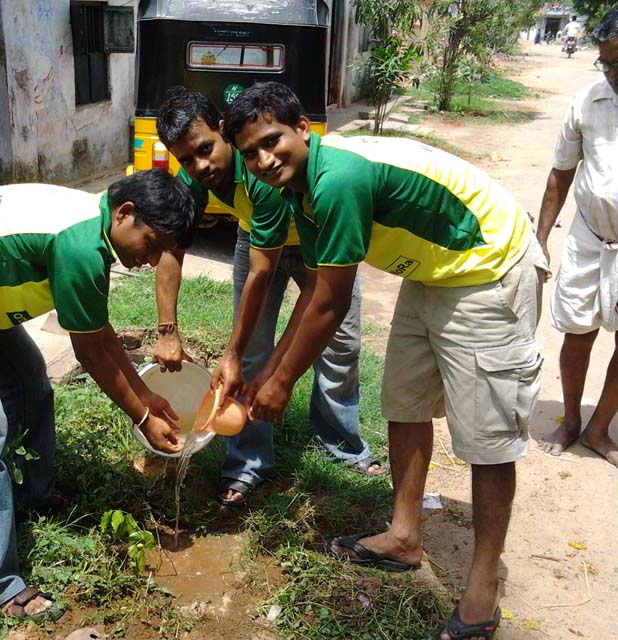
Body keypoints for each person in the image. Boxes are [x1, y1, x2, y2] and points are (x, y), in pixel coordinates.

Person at [223, 82, 547, 640]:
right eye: (250, 152)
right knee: (404, 400)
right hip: (433, 269)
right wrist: (266, 375)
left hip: (488, 263)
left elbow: (332, 303)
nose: (263, 159)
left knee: (486, 437)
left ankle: (483, 586)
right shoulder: (300, 186)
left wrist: (283, 384)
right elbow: (314, 292)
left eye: (272, 141)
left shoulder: (338, 180)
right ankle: (403, 535)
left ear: (304, 128)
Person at [0, 170, 195, 618]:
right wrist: (142, 416)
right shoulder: (82, 244)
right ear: (126, 213)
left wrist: (145, 394)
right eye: (153, 243)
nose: (154, 258)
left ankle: (33, 497)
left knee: (30, 384)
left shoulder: (97, 226)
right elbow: (90, 353)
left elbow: (96, 329)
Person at [152, 88, 381, 507]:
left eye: (206, 149)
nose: (200, 165)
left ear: (223, 132)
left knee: (339, 345)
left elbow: (264, 270)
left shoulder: (262, 172)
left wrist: (232, 352)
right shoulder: (193, 179)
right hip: (252, 239)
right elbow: (171, 246)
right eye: (187, 159)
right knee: (254, 351)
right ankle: (247, 463)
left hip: (316, 239)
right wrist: (167, 329)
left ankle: (340, 442)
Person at [537, 2, 618, 471]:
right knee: (578, 332)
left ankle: (600, 428)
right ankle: (572, 418)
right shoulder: (587, 102)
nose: (614, 72)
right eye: (606, 62)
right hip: (590, 238)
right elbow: (560, 174)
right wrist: (539, 240)